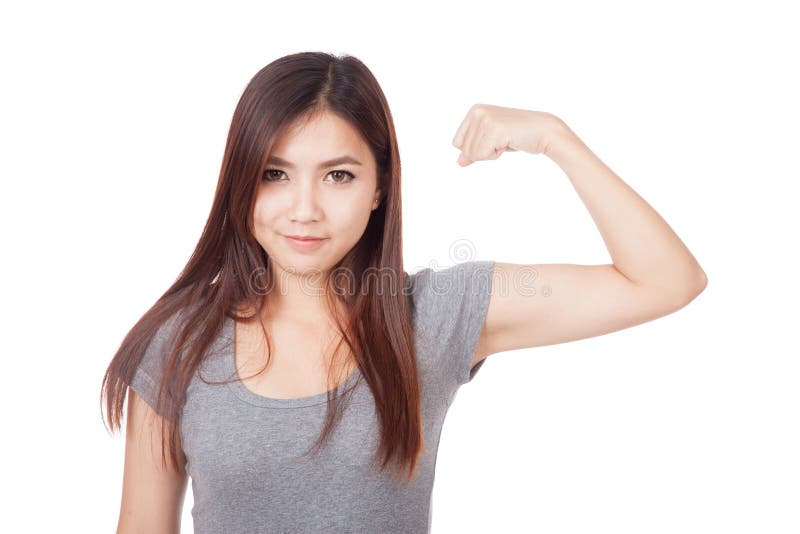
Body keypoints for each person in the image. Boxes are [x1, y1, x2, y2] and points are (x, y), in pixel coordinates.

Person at [102, 52, 707, 534]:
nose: (304, 209)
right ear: (241, 181)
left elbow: (666, 281)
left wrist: (555, 138)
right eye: (275, 174)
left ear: (378, 188)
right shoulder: (178, 341)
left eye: (338, 175)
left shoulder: (434, 317)